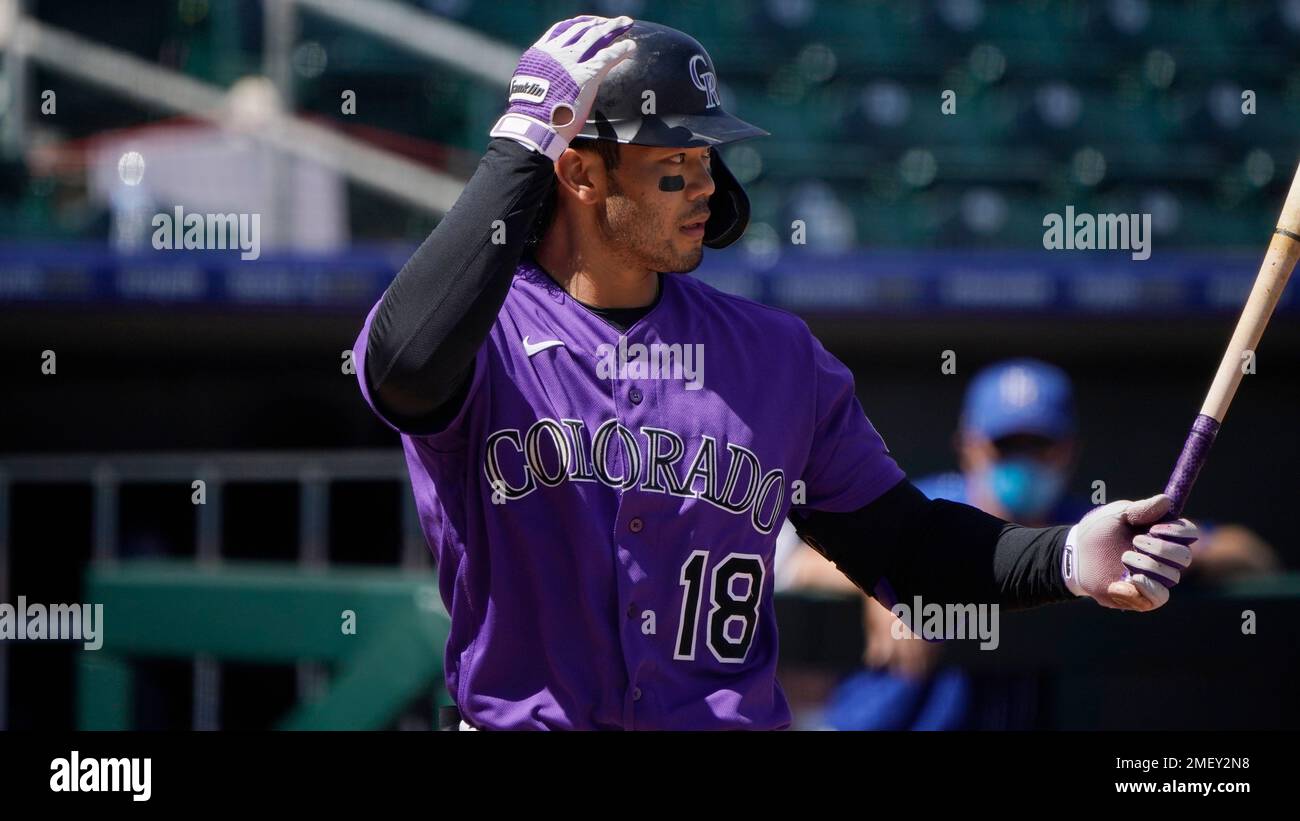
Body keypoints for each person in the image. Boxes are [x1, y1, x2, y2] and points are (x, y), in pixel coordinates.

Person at [352, 16, 1199, 731]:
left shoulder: (777, 355)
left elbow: (903, 545)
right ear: (578, 170)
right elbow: (403, 364)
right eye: (672, 162)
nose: (706, 184)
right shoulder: (481, 333)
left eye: (708, 157)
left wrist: (1065, 557)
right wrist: (522, 140)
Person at [777, 359, 1274, 730]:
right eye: (1006, 446)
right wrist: (882, 582)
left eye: (1039, 446)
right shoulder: (925, 508)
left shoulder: (1086, 530)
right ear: (969, 446)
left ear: (1068, 451)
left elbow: (1248, 554)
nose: (1023, 462)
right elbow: (803, 561)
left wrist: (1170, 557)